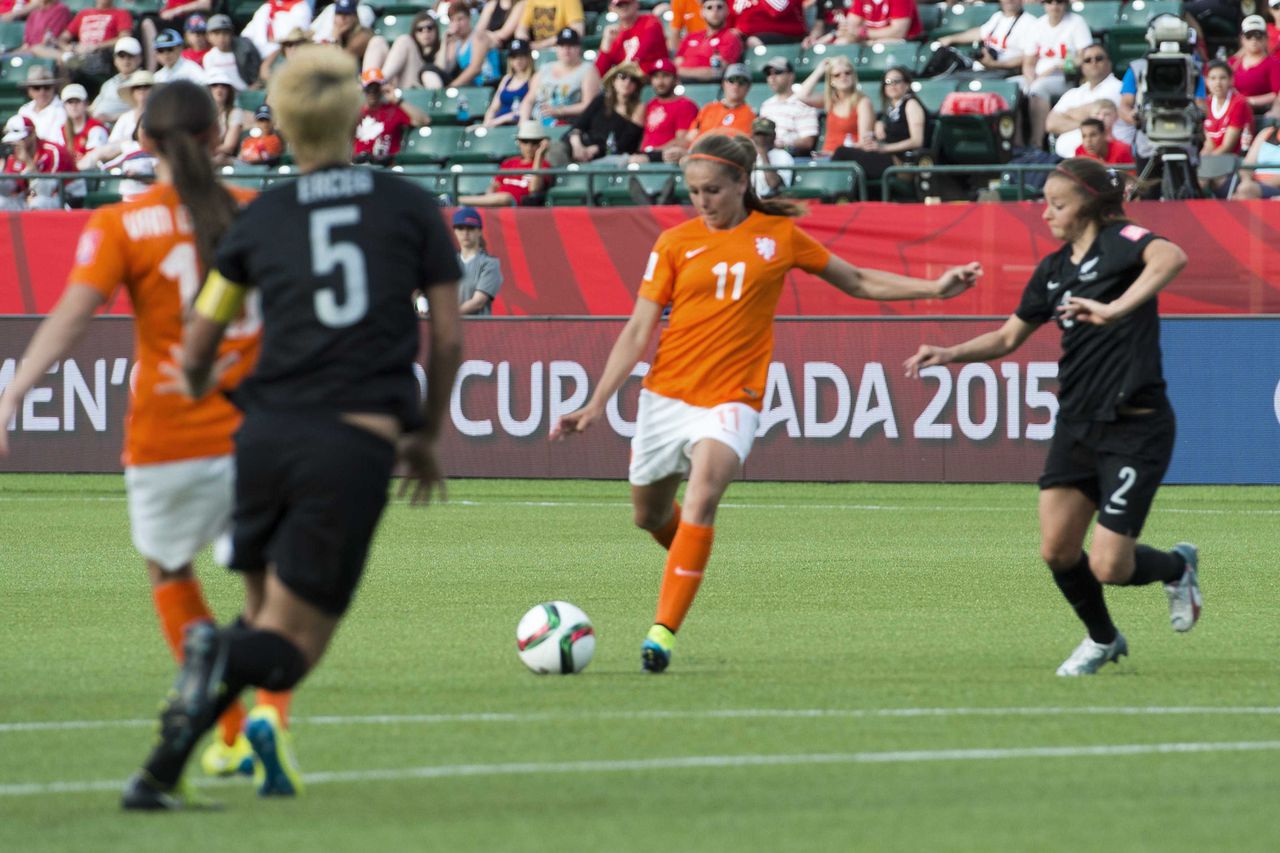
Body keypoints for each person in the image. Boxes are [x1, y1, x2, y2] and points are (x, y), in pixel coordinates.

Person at [120, 45, 462, 810]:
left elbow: (200, 339)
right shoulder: (407, 204)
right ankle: (214, 650)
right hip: (348, 443)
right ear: (358, 115)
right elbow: (449, 334)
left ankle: (158, 773)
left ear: (275, 120)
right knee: (291, 650)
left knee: (264, 617)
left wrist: (213, 385)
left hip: (261, 438)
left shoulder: (260, 215)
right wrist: (427, 431)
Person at [550, 130, 980, 673]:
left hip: (735, 395)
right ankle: (692, 556)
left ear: (740, 183)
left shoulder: (778, 236)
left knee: (704, 496)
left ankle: (662, 632)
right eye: (693, 191)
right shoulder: (674, 243)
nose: (701, 202)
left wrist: (934, 288)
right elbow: (639, 329)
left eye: (712, 190)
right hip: (666, 395)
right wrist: (595, 404)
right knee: (648, 516)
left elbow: (859, 280)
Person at [0, 79, 280, 799]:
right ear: (220, 138)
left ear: (142, 143)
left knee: (169, 570)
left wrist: (12, 394)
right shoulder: (254, 214)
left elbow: (72, 312)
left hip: (165, 435)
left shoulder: (125, 223)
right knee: (267, 594)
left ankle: (216, 729)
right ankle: (262, 720)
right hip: (253, 430)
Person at [904, 157, 1200, 677]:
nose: (1046, 214)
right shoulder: (1053, 271)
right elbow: (1006, 338)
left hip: (1136, 423)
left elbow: (1171, 256)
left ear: (1087, 204)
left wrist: (1114, 308)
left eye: (1057, 204)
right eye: (1046, 204)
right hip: (1077, 425)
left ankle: (1177, 566)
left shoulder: (1124, 238)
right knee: (1058, 550)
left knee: (1110, 566)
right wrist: (949, 353)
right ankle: (1103, 638)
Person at [1018, 0, 1092, 149]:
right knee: (1013, 88)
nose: (1054, 6)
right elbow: (1028, 64)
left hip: (1066, 77)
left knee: (1039, 89)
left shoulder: (1076, 22)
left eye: (1059, 2)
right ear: (1044, 5)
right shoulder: (1037, 25)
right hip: (1037, 76)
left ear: (1065, 4)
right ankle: (1016, 145)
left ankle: (1036, 144)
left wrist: (1056, 67)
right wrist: (1031, 79)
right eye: (1050, 2)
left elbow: (1085, 57)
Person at [831, 65, 925, 180]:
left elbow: (917, 141)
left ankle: (835, 196)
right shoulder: (890, 110)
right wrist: (879, 125)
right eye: (888, 82)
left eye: (897, 81)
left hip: (902, 164)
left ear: (907, 85)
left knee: (842, 153)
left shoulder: (911, 104)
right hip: (888, 158)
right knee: (847, 156)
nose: (892, 85)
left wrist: (883, 148)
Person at [557, 60, 645, 164]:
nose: (627, 82)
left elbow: (625, 145)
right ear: (613, 80)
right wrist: (577, 145)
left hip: (605, 157)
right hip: (579, 146)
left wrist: (597, 148)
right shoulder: (600, 100)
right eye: (622, 76)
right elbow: (579, 125)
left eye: (633, 79)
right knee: (555, 148)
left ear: (637, 86)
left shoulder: (638, 109)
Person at [1047, 43, 1122, 159]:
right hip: (1064, 160)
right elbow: (1051, 123)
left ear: (1109, 63)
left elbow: (1096, 112)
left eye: (1099, 58)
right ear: (1082, 66)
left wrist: (1067, 113)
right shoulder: (1073, 93)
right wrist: (1087, 123)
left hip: (1103, 160)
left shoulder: (1118, 87)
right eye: (1088, 60)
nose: (1094, 62)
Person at [519, 27, 600, 127]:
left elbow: (589, 105)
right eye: (562, 45)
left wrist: (560, 111)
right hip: (538, 125)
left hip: (570, 125)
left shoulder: (587, 70)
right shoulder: (545, 69)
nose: (566, 49)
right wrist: (523, 125)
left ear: (578, 48)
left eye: (571, 45)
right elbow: (529, 100)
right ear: (556, 48)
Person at [460, 118, 551, 206]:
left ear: (541, 144)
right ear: (519, 142)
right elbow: (494, 185)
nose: (529, 147)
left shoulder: (544, 166)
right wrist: (489, 196)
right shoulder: (509, 163)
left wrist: (539, 155)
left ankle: (457, 201)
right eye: (525, 141)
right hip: (494, 202)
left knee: (505, 198)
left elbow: (534, 189)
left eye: (534, 142)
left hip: (516, 206)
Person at [796, 55, 874, 154]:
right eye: (837, 75)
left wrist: (835, 153)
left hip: (849, 158)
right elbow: (801, 96)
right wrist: (819, 71)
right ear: (831, 80)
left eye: (847, 73)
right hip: (826, 157)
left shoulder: (863, 102)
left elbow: (864, 143)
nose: (843, 77)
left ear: (853, 76)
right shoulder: (830, 100)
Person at [353, 66, 430, 165]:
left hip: (384, 165)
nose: (372, 92)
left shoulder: (393, 110)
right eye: (369, 88)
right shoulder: (355, 112)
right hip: (358, 165)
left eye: (376, 88)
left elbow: (424, 120)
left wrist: (397, 100)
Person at [937, 0, 1037, 75]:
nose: (1009, 0)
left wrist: (994, 64)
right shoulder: (998, 16)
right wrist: (950, 38)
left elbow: (1028, 58)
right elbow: (979, 33)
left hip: (1007, 71)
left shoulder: (1030, 22)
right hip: (984, 69)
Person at [0, 113, 76, 209]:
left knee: (39, 202)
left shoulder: (53, 151)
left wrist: (29, 163)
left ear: (32, 134)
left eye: (20, 139)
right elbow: (11, 189)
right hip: (29, 199)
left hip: (64, 199)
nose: (16, 144)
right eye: (11, 142)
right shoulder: (13, 155)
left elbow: (46, 192)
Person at [631, 57, 698, 162]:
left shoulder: (685, 105)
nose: (660, 81)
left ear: (676, 79)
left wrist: (652, 153)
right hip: (643, 157)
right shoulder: (650, 104)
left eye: (665, 76)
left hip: (667, 159)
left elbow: (683, 141)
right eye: (656, 77)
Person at [363, 10, 446, 90]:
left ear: (436, 30)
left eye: (429, 28)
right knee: (377, 41)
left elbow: (442, 71)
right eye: (420, 29)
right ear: (414, 32)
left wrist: (445, 43)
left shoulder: (441, 49)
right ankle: (369, 82)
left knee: (405, 40)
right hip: (393, 84)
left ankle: (377, 83)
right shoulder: (411, 45)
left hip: (415, 89)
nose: (425, 32)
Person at [756, 56, 819, 156]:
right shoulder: (766, 105)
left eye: (777, 72)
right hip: (765, 154)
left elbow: (808, 141)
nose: (772, 77)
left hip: (789, 155)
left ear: (791, 75)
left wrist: (781, 145)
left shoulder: (804, 103)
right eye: (768, 73)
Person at [450, 206, 503, 314]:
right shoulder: (448, 261)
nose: (465, 233)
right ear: (455, 231)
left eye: (470, 228)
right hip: (450, 328)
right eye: (460, 228)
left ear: (479, 231)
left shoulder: (490, 263)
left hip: (478, 328)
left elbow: (478, 302)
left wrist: (446, 316)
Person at [674, 0, 742, 83]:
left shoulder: (731, 37)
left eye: (719, 7)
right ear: (702, 12)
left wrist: (682, 72)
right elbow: (676, 65)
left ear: (727, 11)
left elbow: (717, 73)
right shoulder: (690, 37)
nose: (715, 11)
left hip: (709, 87)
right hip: (681, 86)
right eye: (709, 7)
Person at [595, 0, 668, 76]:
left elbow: (642, 54)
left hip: (653, 77)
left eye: (627, 3)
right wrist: (606, 43)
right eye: (619, 5)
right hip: (628, 81)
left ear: (636, 3)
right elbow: (599, 73)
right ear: (611, 8)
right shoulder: (614, 34)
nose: (624, 7)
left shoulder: (650, 22)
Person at [685, 62, 754, 140]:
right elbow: (690, 136)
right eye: (732, 80)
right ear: (723, 83)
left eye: (742, 81)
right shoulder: (708, 108)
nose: (736, 85)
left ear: (748, 87)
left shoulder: (751, 115)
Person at [442, 0, 501, 86]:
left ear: (469, 17)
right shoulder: (456, 43)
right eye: (453, 20)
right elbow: (447, 69)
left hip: (489, 84)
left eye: (460, 19)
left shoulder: (478, 36)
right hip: (473, 87)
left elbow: (475, 68)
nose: (457, 24)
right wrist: (445, 43)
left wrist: (451, 87)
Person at [1201, 59, 1253, 157]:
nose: (1218, 83)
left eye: (1223, 78)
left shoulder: (1239, 103)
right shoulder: (1207, 102)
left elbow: (1228, 146)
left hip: (1237, 159)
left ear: (1231, 80)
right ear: (1206, 81)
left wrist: (1206, 164)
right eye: (1213, 78)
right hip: (1215, 159)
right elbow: (1210, 143)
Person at [1228, 15, 1280, 112]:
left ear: (1265, 38)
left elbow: (1277, 93)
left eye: (1258, 35)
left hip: (1262, 112)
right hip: (1233, 111)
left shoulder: (1274, 63)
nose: (1254, 39)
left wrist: (1250, 101)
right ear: (1242, 39)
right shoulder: (1232, 62)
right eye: (1249, 35)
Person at [481, 36, 534, 126]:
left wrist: (500, 120)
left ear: (528, 57)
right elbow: (493, 108)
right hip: (498, 123)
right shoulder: (507, 79)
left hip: (519, 123)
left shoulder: (534, 78)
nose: (518, 60)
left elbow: (528, 104)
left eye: (521, 56)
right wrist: (487, 124)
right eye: (514, 57)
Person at [90, 34, 142, 121]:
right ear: (115, 60)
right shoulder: (109, 84)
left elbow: (142, 111)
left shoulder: (143, 82)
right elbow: (93, 108)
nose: (126, 61)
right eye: (122, 56)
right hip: (99, 125)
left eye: (130, 56)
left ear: (139, 58)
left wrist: (112, 118)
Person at [201, 14, 251, 92]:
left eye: (225, 33)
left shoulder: (242, 51)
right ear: (208, 36)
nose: (221, 38)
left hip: (246, 92)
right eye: (216, 34)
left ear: (231, 34)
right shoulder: (209, 57)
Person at [726, 0, 806, 48]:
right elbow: (728, 18)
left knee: (753, 41)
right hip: (744, 37)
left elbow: (780, 9)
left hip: (787, 37)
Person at [836, 0, 923, 44]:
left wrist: (863, 33)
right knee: (842, 42)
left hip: (904, 44)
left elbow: (898, 32)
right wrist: (848, 31)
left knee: (885, 43)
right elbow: (850, 26)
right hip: (870, 41)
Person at [17, 65, 66, 143]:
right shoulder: (24, 110)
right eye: (36, 87)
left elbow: (58, 142)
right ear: (29, 91)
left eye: (47, 87)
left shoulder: (63, 110)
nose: (42, 92)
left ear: (54, 88)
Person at [59, 82, 108, 157]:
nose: (74, 106)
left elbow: (93, 160)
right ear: (64, 106)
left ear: (86, 104)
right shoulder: (62, 130)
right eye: (70, 102)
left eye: (77, 101)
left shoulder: (96, 129)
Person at [1232, 124, 1280, 198]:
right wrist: (1246, 180)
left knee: (1242, 195)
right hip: (1251, 185)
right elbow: (1247, 164)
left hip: (1275, 187)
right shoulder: (1266, 133)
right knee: (1239, 194)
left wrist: (1256, 186)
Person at [749, 116, 791, 197]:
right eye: (758, 134)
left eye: (766, 134)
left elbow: (774, 184)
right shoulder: (748, 155)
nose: (762, 138)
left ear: (774, 136)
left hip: (772, 202)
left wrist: (763, 153)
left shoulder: (783, 156)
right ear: (752, 136)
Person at [515, 0, 584, 49]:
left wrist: (540, 45)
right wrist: (525, 42)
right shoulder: (532, 1)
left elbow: (577, 31)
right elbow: (521, 29)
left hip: (561, 49)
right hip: (538, 51)